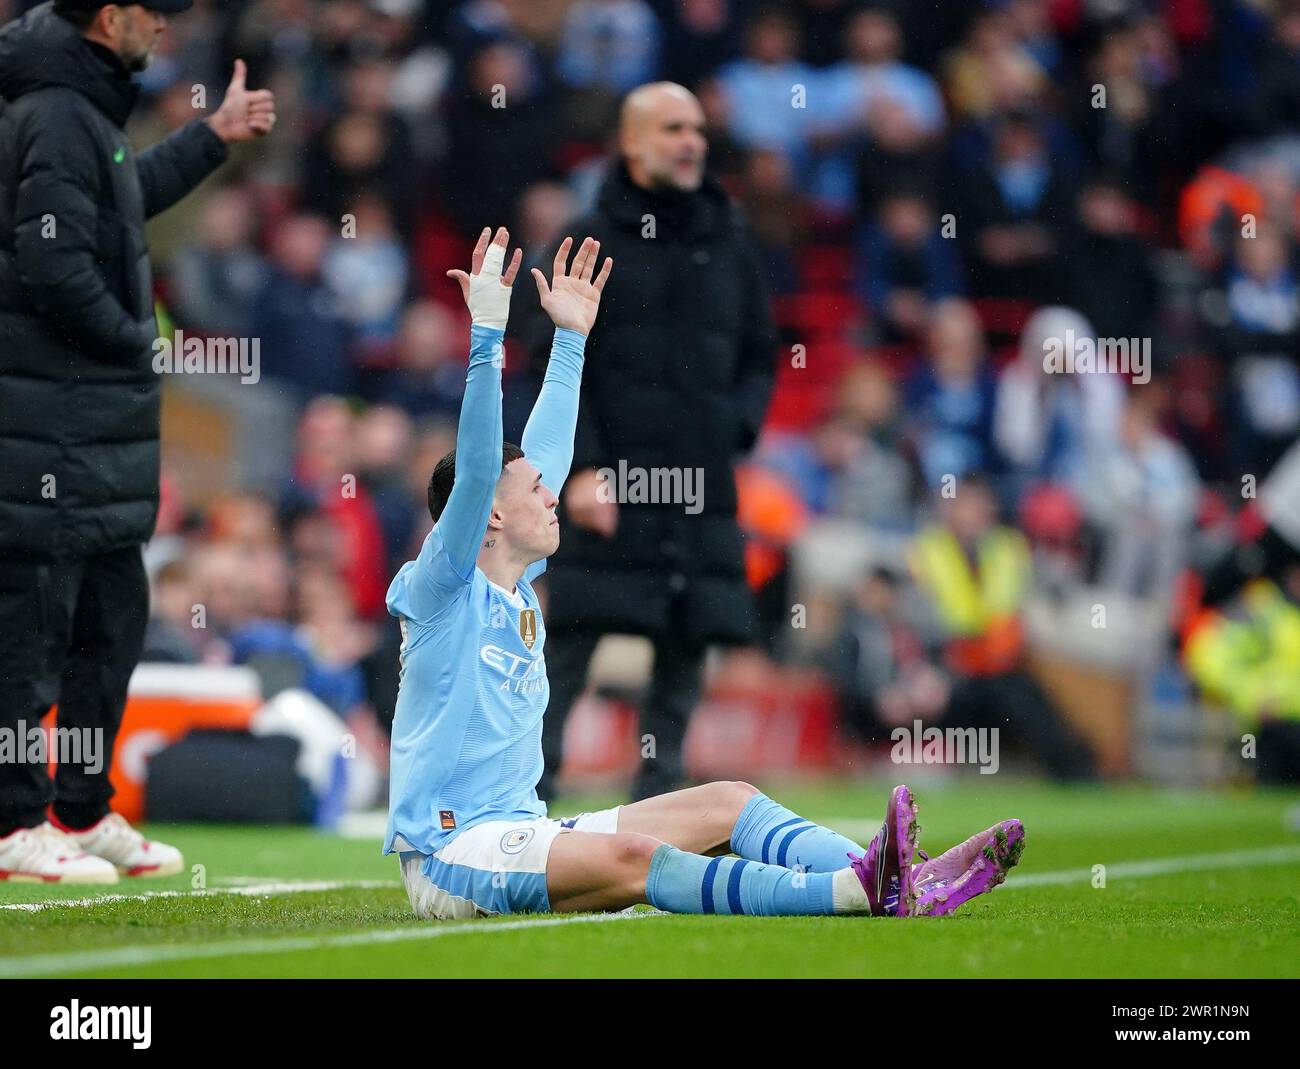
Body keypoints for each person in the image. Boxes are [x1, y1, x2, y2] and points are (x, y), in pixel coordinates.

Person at [384, 226, 1025, 921]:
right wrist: (486, 335)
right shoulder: (440, 584)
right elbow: (480, 469)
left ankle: (907, 875)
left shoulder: (519, 585)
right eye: (531, 490)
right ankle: (851, 894)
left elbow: (542, 456)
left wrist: (570, 342)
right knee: (637, 861)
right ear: (490, 518)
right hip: (454, 855)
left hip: (525, 828)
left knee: (731, 800)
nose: (552, 492)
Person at [0, 0, 275, 883]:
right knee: (30, 634)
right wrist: (138, 339)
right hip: (47, 430)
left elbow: (119, 207)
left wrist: (211, 136)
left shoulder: (85, 109)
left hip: (95, 431)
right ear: (110, 14)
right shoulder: (50, 110)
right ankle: (11, 823)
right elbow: (52, 266)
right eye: (155, 11)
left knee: (106, 627)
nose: (166, 27)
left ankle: (80, 812)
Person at [516, 81, 779, 802]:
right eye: (671, 128)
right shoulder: (584, 236)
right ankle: (526, 794)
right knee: (573, 633)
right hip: (611, 477)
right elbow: (545, 359)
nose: (691, 140)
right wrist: (582, 466)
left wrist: (737, 425)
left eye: (695, 127)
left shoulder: (730, 240)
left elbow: (763, 350)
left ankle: (659, 801)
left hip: (699, 482)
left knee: (687, 640)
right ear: (632, 143)